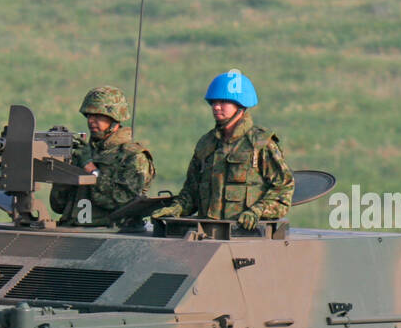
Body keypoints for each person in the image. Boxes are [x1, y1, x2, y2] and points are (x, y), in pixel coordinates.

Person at [150, 71, 293, 229]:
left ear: (240, 105)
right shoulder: (206, 144)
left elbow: (283, 188)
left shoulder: (261, 144)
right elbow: (192, 189)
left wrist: (257, 212)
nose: (216, 107)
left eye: (224, 102)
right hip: (206, 235)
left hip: (246, 236)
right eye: (213, 102)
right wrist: (176, 209)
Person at [48, 86, 155, 227]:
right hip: (71, 229)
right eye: (88, 116)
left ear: (115, 119)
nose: (91, 121)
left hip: (110, 235)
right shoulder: (85, 153)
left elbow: (120, 201)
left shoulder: (133, 157)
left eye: (98, 116)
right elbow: (58, 205)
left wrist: (91, 170)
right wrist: (64, 170)